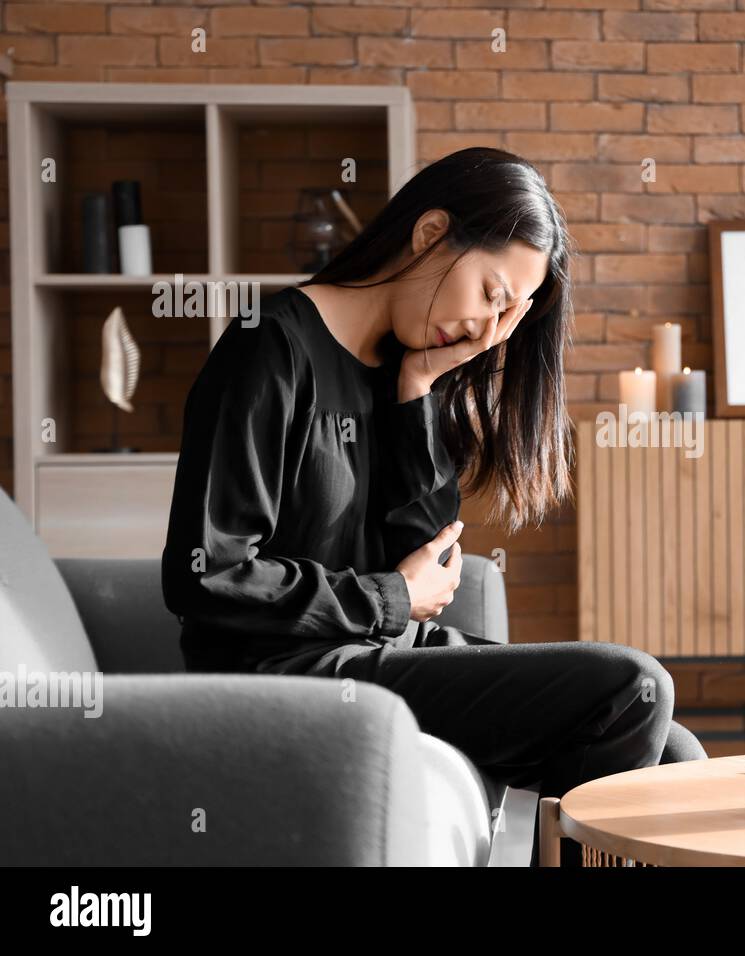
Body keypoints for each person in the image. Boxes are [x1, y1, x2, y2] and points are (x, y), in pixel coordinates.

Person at [161, 147, 707, 867]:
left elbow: (431, 569)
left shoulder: (405, 368)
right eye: (489, 293)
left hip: (377, 654)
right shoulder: (270, 350)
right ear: (430, 233)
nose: (487, 332)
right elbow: (205, 575)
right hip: (289, 675)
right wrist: (391, 597)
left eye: (508, 316)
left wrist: (417, 389)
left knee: (674, 748)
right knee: (633, 685)